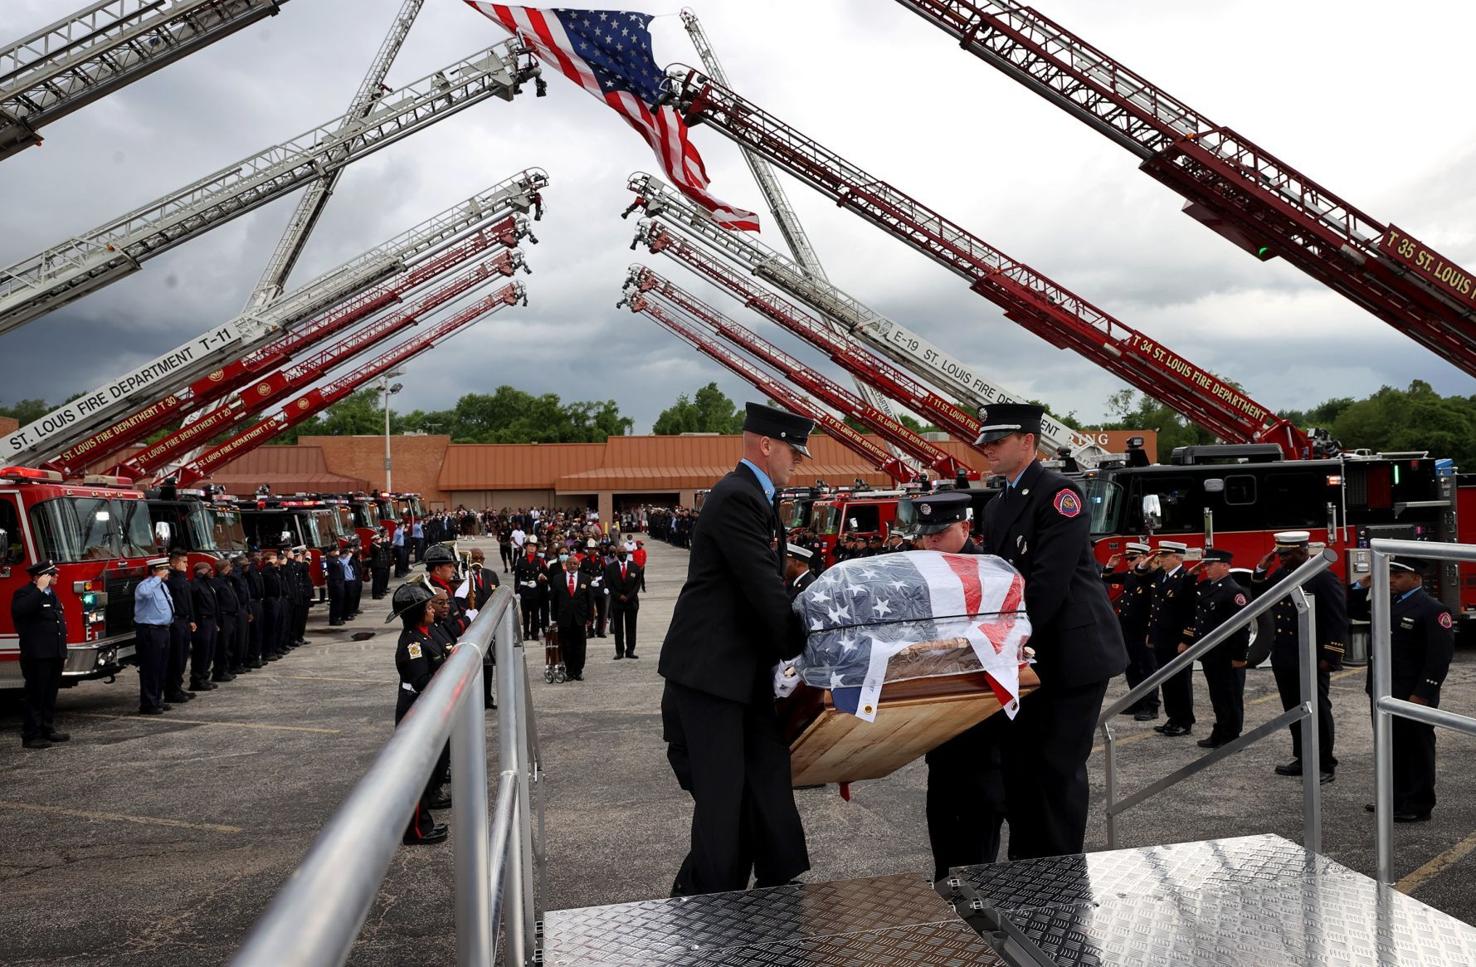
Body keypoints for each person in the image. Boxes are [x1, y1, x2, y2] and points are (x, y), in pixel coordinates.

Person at [660, 402, 812, 896]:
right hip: (712, 678)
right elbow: (764, 589)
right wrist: (805, 645)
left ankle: (771, 891)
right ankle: (702, 914)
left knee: (765, 792)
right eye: (794, 450)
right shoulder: (738, 497)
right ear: (766, 445)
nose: (799, 461)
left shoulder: (754, 498)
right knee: (724, 808)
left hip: (739, 676)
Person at [974, 403, 1127, 861]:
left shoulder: (1059, 495)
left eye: (996, 442)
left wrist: (1005, 641)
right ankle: (1029, 870)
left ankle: (1058, 875)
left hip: (1070, 653)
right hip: (1030, 654)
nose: (987, 451)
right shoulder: (999, 505)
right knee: (1022, 769)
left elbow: (1047, 584)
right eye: (984, 443)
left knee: (1055, 769)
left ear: (1027, 442)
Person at [906, 490, 1011, 878]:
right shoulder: (921, 572)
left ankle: (978, 908)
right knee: (942, 818)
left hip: (983, 723)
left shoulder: (992, 573)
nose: (930, 541)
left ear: (966, 526)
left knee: (979, 820)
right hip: (942, 726)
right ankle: (946, 894)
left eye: (940, 532)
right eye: (925, 534)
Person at [1351, 557, 1454, 822]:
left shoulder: (1431, 609)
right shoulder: (1385, 602)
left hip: (1412, 693)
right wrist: (1365, 582)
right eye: (1389, 574)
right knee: (1389, 747)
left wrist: (1422, 694)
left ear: (1416, 578)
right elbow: (1350, 608)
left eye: (1397, 575)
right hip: (1384, 691)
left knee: (1417, 748)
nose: (1390, 579)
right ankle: (1394, 800)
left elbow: (1438, 658)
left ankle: (1418, 804)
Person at [1252, 530, 1346, 784]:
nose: (1281, 559)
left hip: (1312, 655)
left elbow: (1336, 619)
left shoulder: (1321, 577)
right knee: (1294, 709)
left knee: (1318, 709)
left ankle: (1325, 762)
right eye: (1279, 554)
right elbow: (1262, 598)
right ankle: (1303, 757)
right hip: (1285, 654)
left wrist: (1331, 655)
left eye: (1286, 554)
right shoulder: (1283, 574)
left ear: (1302, 552)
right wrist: (1261, 571)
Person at [390, 582, 450, 845]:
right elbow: (421, 681)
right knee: (416, 770)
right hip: (416, 708)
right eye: (428, 607)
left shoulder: (425, 634)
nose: (432, 610)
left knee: (429, 765)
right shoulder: (413, 643)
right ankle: (416, 829)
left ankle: (423, 818)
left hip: (428, 708)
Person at [1185, 548, 1249, 749]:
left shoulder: (1234, 591)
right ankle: (1220, 730)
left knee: (1230, 696)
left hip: (1227, 655)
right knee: (1217, 695)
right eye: (1205, 565)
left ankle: (1232, 736)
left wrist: (1239, 656)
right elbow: (1185, 594)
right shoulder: (1207, 587)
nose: (1207, 569)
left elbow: (1241, 628)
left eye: (1211, 564)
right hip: (1212, 654)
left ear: (1225, 565)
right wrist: (1190, 575)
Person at [12, 560, 70, 748]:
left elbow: (58, 624)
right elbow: (20, 611)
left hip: (54, 653)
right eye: (52, 574)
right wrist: (38, 590)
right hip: (37, 655)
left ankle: (47, 728)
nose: (56, 576)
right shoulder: (25, 593)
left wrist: (63, 651)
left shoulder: (51, 594)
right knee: (35, 696)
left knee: (49, 695)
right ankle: (31, 735)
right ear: (39, 577)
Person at [1146, 541, 1197, 737]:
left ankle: (1184, 720)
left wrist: (1186, 639)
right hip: (1162, 637)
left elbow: (1190, 612)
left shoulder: (1186, 578)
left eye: (1165, 557)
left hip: (1177, 640)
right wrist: (1152, 634)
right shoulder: (1161, 576)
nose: (1161, 560)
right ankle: (1173, 717)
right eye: (1161, 556)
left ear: (1178, 557)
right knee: (1166, 679)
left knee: (1181, 680)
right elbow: (1156, 608)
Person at [1102, 542, 1157, 721]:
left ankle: (1151, 705)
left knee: (1147, 668)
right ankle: (1137, 701)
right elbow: (1106, 577)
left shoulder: (1149, 577)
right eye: (1128, 559)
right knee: (1132, 668)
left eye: (1132, 559)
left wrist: (1143, 565)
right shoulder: (1129, 575)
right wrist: (1110, 564)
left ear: (1143, 558)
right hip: (1128, 629)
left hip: (1143, 630)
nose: (1128, 563)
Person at [133, 558, 175, 716]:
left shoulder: (163, 586)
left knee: (161, 667)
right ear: (153, 571)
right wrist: (157, 578)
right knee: (150, 668)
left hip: (163, 630)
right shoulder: (145, 585)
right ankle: (148, 703)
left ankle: (157, 699)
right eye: (163, 570)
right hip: (150, 631)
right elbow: (144, 594)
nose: (167, 572)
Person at [551, 552, 593, 681]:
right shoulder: (557, 579)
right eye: (570, 563)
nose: (572, 565)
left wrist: (590, 617)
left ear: (578, 565)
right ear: (566, 565)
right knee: (566, 645)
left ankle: (578, 670)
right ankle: (569, 671)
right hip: (564, 618)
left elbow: (589, 600)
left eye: (575, 563)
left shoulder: (585, 578)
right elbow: (554, 600)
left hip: (580, 618)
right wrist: (554, 618)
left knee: (580, 645)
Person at [164, 550, 196, 705]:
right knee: (175, 657)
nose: (186, 565)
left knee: (183, 657)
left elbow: (188, 600)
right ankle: (171, 691)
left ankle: (178, 687)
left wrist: (191, 619)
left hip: (184, 620)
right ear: (173, 563)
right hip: (175, 622)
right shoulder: (169, 580)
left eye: (186, 562)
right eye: (183, 562)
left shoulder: (183, 579)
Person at [606, 542, 642, 659]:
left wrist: (629, 596)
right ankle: (619, 651)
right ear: (616, 554)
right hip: (617, 602)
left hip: (631, 602)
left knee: (631, 627)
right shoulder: (610, 568)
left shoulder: (634, 567)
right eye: (620, 553)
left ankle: (630, 650)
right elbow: (609, 585)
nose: (623, 554)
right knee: (618, 628)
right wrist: (619, 596)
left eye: (624, 553)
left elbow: (637, 584)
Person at [189, 561, 220, 692]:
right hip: (202, 622)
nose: (212, 572)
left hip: (211, 621)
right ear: (201, 572)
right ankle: (197, 680)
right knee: (201, 652)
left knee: (209, 651)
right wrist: (198, 576)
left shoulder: (207, 584)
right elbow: (193, 593)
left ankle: (204, 677)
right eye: (208, 570)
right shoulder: (196, 584)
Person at [211, 558, 240, 684]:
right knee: (223, 646)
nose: (231, 569)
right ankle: (219, 672)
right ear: (223, 568)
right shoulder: (217, 582)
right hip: (223, 617)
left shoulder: (227, 581)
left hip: (231, 616)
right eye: (228, 567)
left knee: (230, 644)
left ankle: (226, 669)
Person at [514, 537, 545, 640]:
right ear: (526, 547)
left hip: (536, 590)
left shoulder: (540, 561)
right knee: (525, 613)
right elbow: (517, 577)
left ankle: (535, 633)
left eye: (534, 546)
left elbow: (545, 575)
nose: (532, 548)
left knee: (535, 614)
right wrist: (517, 591)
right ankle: (526, 633)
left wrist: (537, 581)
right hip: (524, 589)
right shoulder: (520, 561)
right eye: (530, 546)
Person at [326, 543, 346, 626]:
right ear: (331, 552)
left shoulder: (336, 559)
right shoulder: (330, 560)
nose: (337, 552)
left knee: (340, 601)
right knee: (335, 602)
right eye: (335, 551)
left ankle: (338, 617)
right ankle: (334, 619)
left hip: (340, 582)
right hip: (335, 583)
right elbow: (334, 567)